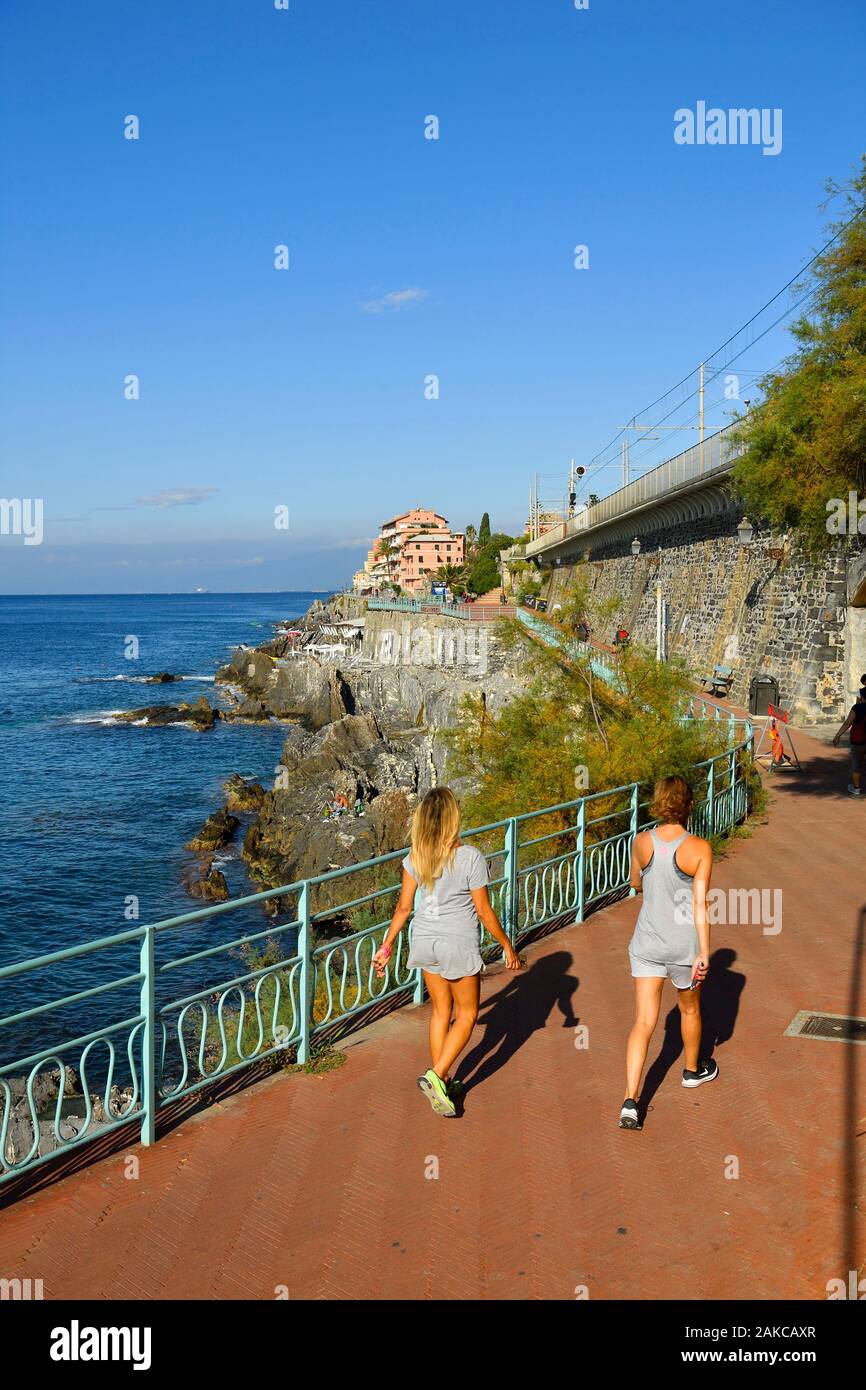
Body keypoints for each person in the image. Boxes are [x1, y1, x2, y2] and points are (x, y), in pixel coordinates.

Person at [372, 787, 520, 1116]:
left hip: (424, 940)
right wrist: (507, 945)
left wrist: (386, 947)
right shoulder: (470, 857)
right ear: (453, 818)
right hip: (458, 942)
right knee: (467, 1015)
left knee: (441, 1013)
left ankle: (443, 1082)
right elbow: (483, 911)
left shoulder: (415, 857)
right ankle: (436, 1075)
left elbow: (403, 908)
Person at [620, 774, 718, 1130]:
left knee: (643, 1021)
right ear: (688, 805)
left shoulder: (640, 841)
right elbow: (699, 905)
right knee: (689, 1009)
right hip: (684, 946)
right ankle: (692, 1071)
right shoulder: (700, 848)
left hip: (647, 941)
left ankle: (631, 1100)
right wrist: (704, 953)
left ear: (660, 803)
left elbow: (634, 883)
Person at [832, 678, 866, 796]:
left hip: (859, 740)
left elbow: (847, 723)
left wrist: (837, 736)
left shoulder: (857, 708)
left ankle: (856, 788)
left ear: (862, 697)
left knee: (856, 764)